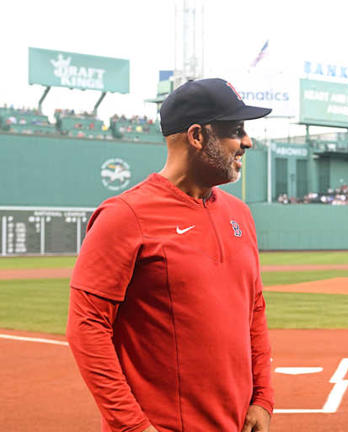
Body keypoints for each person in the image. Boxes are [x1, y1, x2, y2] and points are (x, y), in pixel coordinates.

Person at [66, 78, 274, 432]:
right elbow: (87, 327)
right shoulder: (124, 216)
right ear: (197, 136)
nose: (247, 142)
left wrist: (263, 398)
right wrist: (132, 426)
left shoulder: (240, 214)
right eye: (236, 130)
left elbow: (253, 308)